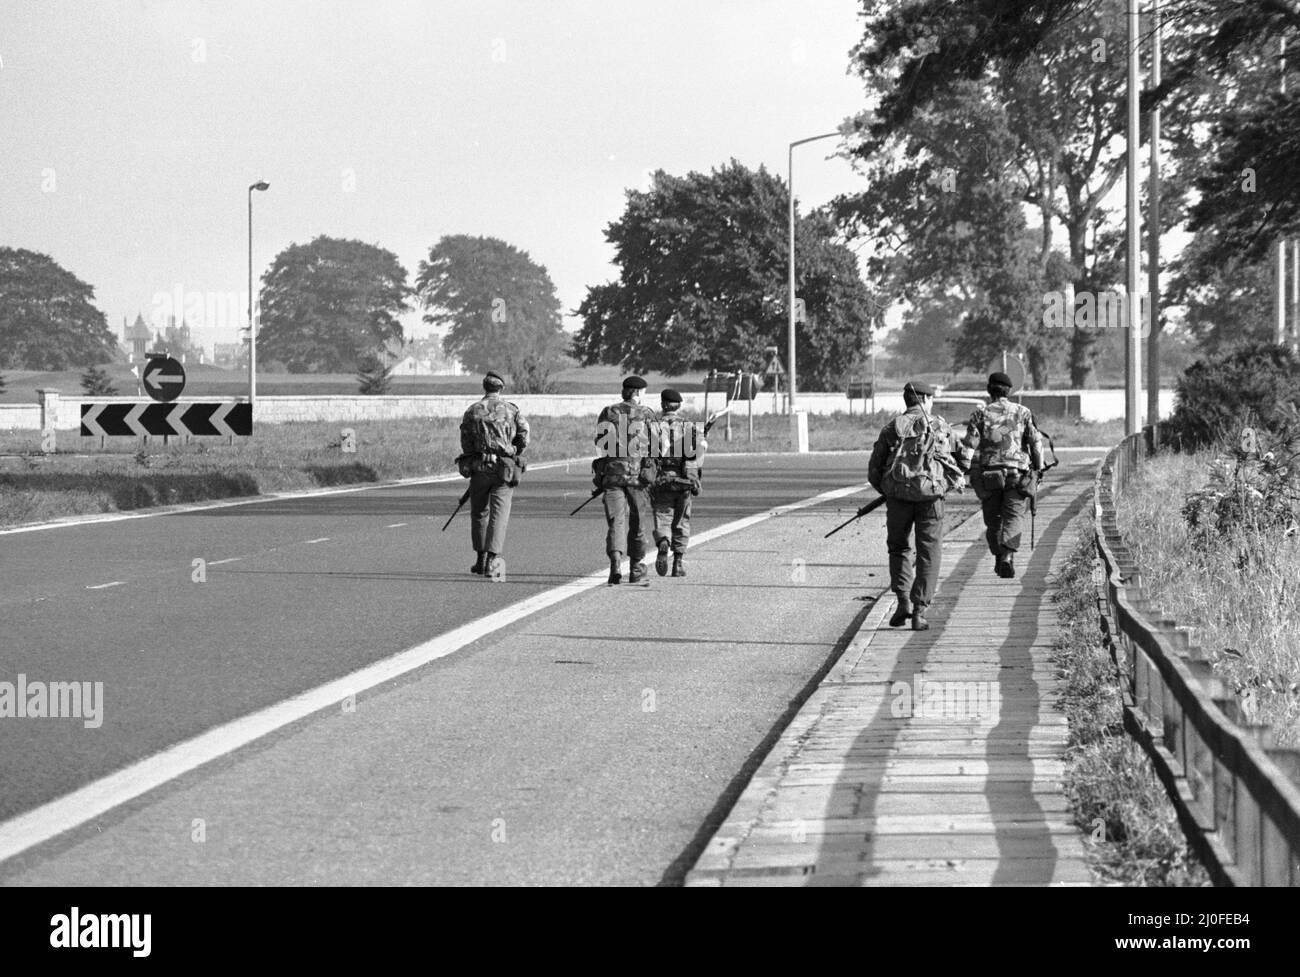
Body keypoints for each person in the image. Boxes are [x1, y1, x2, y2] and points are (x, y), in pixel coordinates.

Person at [867, 380, 964, 631]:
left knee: (899, 548)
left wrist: (890, 491)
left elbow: (874, 471)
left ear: (907, 401)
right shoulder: (941, 427)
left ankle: (902, 602)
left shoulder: (892, 428)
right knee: (929, 552)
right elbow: (962, 460)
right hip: (931, 498)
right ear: (926, 399)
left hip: (898, 499)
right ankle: (919, 611)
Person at [956, 371, 1044, 579]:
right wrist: (1038, 470)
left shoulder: (980, 414)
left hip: (989, 476)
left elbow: (970, 445)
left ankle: (999, 555)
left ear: (989, 390)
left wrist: (962, 471)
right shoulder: (1023, 412)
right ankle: (1007, 556)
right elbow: (1036, 444)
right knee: (1013, 516)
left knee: (993, 519)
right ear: (1009, 391)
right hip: (1017, 474)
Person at [457, 370, 529, 579]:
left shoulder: (472, 411)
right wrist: (514, 450)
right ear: (501, 388)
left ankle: (479, 559)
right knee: (499, 515)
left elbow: (465, 441)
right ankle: (491, 560)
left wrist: (472, 456)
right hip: (503, 470)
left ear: (485, 387)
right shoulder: (511, 410)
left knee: (479, 513)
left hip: (479, 468)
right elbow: (524, 436)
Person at [594, 375, 657, 586]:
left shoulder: (609, 412)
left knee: (616, 521)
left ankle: (615, 564)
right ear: (638, 393)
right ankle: (637, 568)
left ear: (625, 391)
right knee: (638, 522)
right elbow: (661, 446)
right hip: (638, 479)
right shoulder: (647, 414)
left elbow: (601, 443)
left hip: (612, 475)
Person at [650, 388, 700, 577]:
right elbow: (693, 459)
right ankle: (678, 563)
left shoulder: (652, 426)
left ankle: (663, 541)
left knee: (662, 516)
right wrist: (692, 481)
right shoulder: (688, 427)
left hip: (660, 481)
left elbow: (648, 458)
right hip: (682, 482)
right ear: (678, 406)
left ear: (663, 404)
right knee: (682, 520)